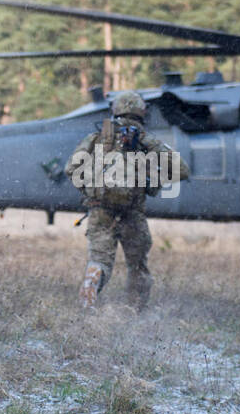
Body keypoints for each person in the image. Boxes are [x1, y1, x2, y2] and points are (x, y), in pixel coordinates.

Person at [65, 91, 188, 311]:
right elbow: (181, 170)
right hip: (133, 213)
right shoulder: (146, 142)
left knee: (100, 259)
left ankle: (91, 283)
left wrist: (91, 191)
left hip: (100, 210)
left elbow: (71, 169)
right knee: (137, 265)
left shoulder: (96, 138)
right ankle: (134, 310)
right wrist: (147, 142)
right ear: (142, 112)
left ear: (115, 110)